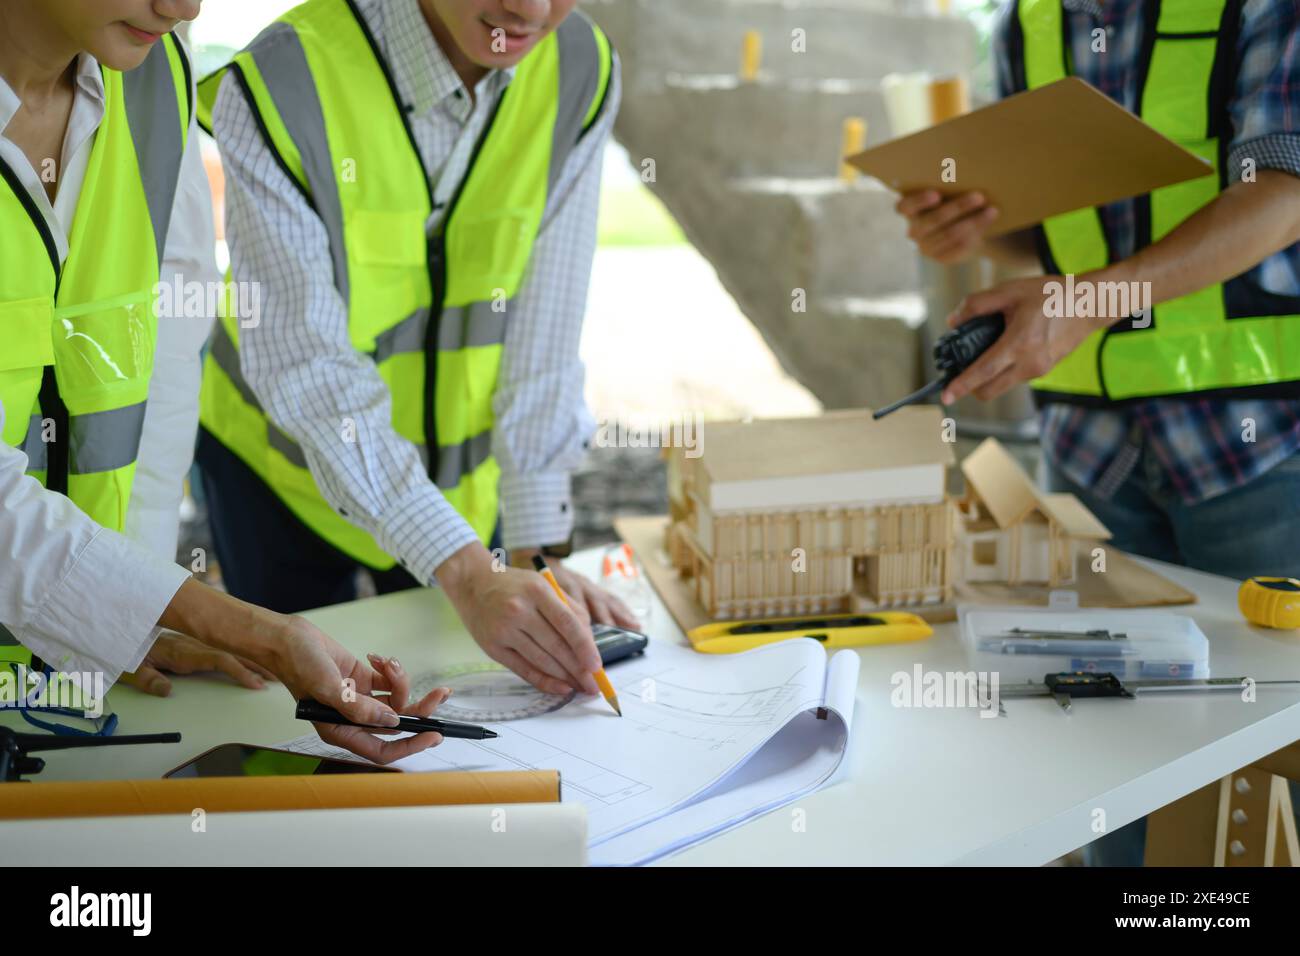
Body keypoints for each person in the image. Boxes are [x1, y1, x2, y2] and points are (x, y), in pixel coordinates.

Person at [894, 0, 1300, 864]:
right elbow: (1061, 236)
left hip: (1261, 454)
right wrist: (976, 227)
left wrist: (1083, 302)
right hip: (1089, 456)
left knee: (1267, 777)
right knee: (1107, 775)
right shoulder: (1029, 24)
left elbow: (1285, 193)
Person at [0, 0, 447, 763]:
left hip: (51, 696)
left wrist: (127, 618)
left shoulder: (155, 73)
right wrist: (238, 626)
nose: (185, 7)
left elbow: (161, 370)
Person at [197, 0, 637, 700]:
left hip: (463, 494)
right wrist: (466, 572)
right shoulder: (282, 84)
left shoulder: (581, 67)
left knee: (459, 728)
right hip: (278, 482)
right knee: (296, 730)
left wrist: (535, 553)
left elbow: (546, 334)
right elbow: (310, 373)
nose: (527, 9)